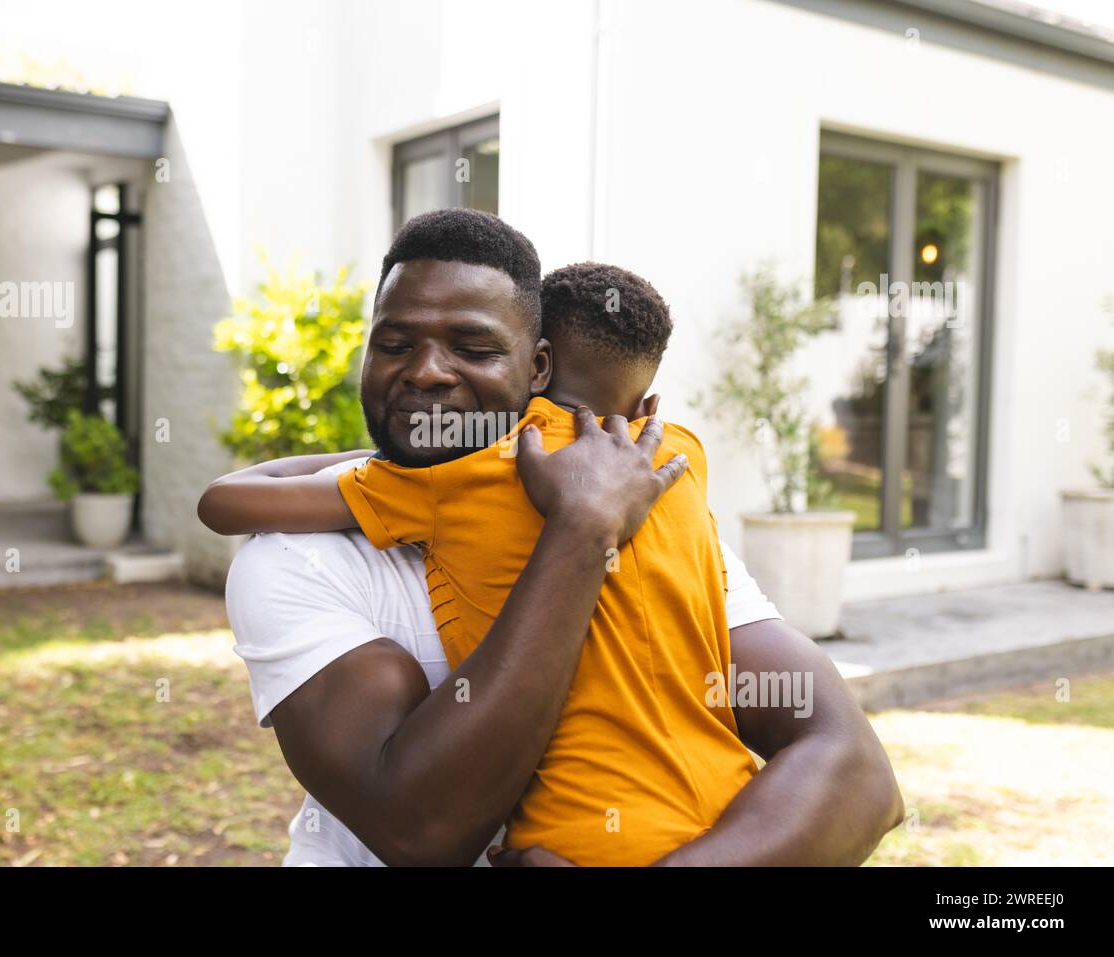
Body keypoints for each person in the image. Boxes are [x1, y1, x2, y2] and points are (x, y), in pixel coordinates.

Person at [204, 209, 904, 866]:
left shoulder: (646, 502)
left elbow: (859, 773)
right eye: (394, 343)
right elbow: (423, 832)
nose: (425, 370)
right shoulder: (296, 559)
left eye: (473, 347)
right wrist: (581, 530)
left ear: (537, 369)